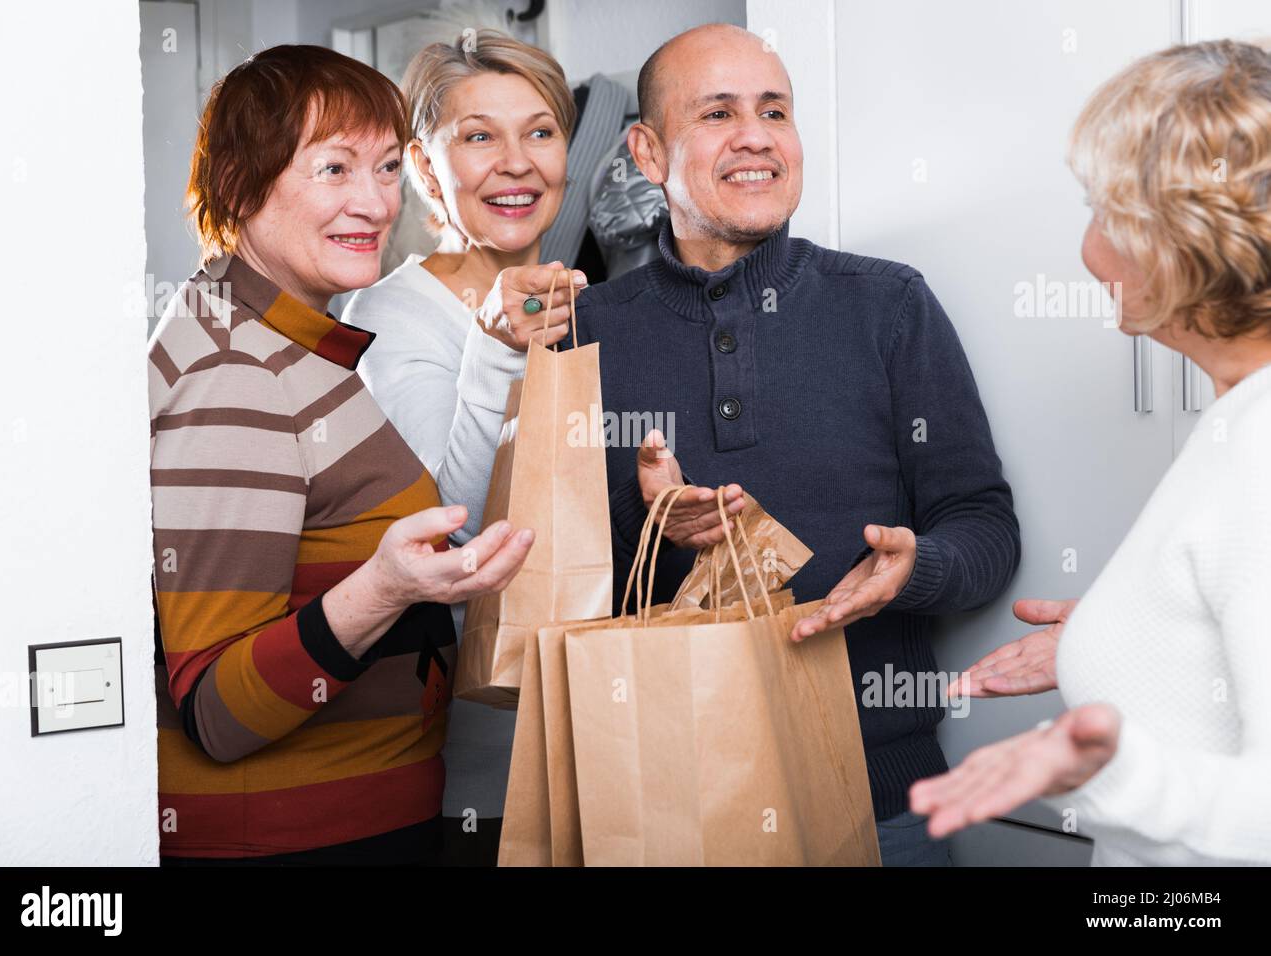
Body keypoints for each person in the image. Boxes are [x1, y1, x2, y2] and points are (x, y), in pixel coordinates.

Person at [566, 23, 1021, 866]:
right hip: (664, 803)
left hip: (887, 807)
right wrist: (651, 522)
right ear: (647, 151)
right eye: (717, 113)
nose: (756, 136)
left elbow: (986, 528)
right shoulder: (583, 333)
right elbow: (552, 578)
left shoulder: (888, 305)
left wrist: (913, 567)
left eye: (775, 110)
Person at [148, 44, 533, 865]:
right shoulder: (234, 373)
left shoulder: (276, 338)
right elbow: (217, 711)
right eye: (333, 169)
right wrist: (386, 588)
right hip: (297, 841)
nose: (373, 202)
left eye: (388, 167)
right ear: (241, 185)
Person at [911, 40, 1271, 866]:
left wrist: (1099, 775)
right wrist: (1134, 630)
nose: (1087, 251)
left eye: (1104, 211)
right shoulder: (1238, 422)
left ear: (1182, 242)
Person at [343, 29, 586, 866]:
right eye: (478, 136)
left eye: (540, 131)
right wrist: (495, 354)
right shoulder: (387, 317)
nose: (516, 163)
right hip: (479, 779)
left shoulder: (591, 302)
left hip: (607, 753)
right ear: (422, 163)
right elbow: (445, 536)